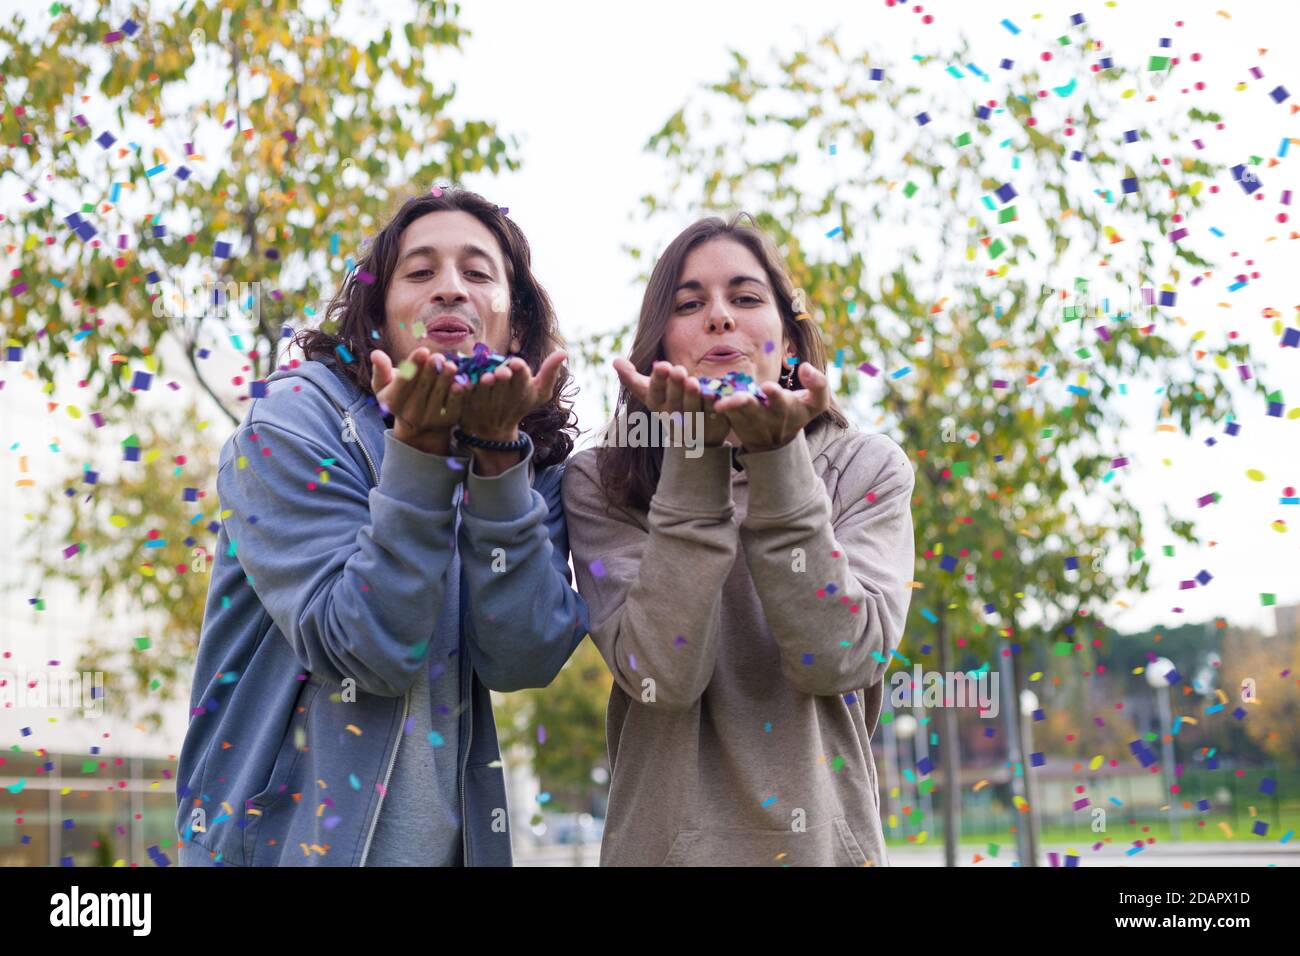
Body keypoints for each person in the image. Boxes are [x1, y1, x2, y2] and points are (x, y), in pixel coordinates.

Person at [175, 188, 587, 866]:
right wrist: (420, 452)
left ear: (516, 326)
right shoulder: (290, 422)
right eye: (420, 272)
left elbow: (523, 657)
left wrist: (497, 462)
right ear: (376, 317)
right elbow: (367, 649)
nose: (450, 288)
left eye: (478, 273)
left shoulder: (523, 455)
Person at [563, 213, 915, 866]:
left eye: (746, 298)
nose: (719, 317)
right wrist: (693, 461)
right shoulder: (602, 479)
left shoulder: (866, 468)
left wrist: (778, 460)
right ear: (659, 345)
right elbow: (662, 677)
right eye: (689, 303)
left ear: (787, 339)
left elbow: (838, 659)